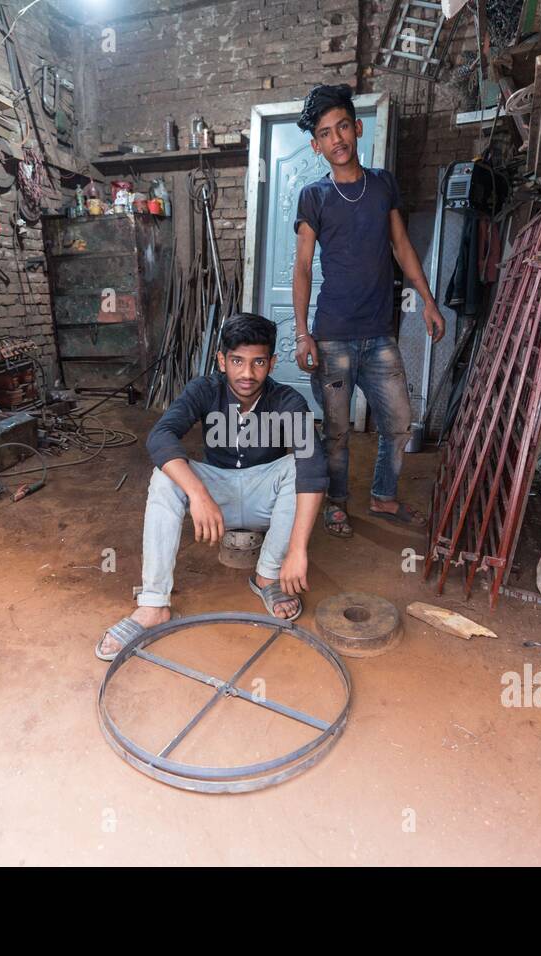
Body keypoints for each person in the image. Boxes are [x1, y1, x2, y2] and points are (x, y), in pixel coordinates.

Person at [96, 313, 328, 660]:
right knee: (165, 476)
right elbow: (161, 435)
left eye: (258, 362)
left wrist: (298, 550)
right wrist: (198, 493)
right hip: (215, 495)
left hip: (263, 492)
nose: (247, 374)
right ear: (221, 360)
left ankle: (267, 577)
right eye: (237, 361)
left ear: (272, 362)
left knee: (302, 464)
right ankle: (154, 603)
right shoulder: (204, 389)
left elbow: (312, 465)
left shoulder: (287, 400)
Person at [292, 83, 445, 538]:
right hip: (333, 334)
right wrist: (303, 334)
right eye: (325, 133)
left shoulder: (382, 185)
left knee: (398, 423)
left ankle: (382, 496)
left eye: (342, 127)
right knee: (336, 431)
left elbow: (401, 246)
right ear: (316, 145)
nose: (336, 139)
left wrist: (428, 302)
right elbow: (302, 266)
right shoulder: (313, 197)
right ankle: (337, 502)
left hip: (379, 333)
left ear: (357, 128)